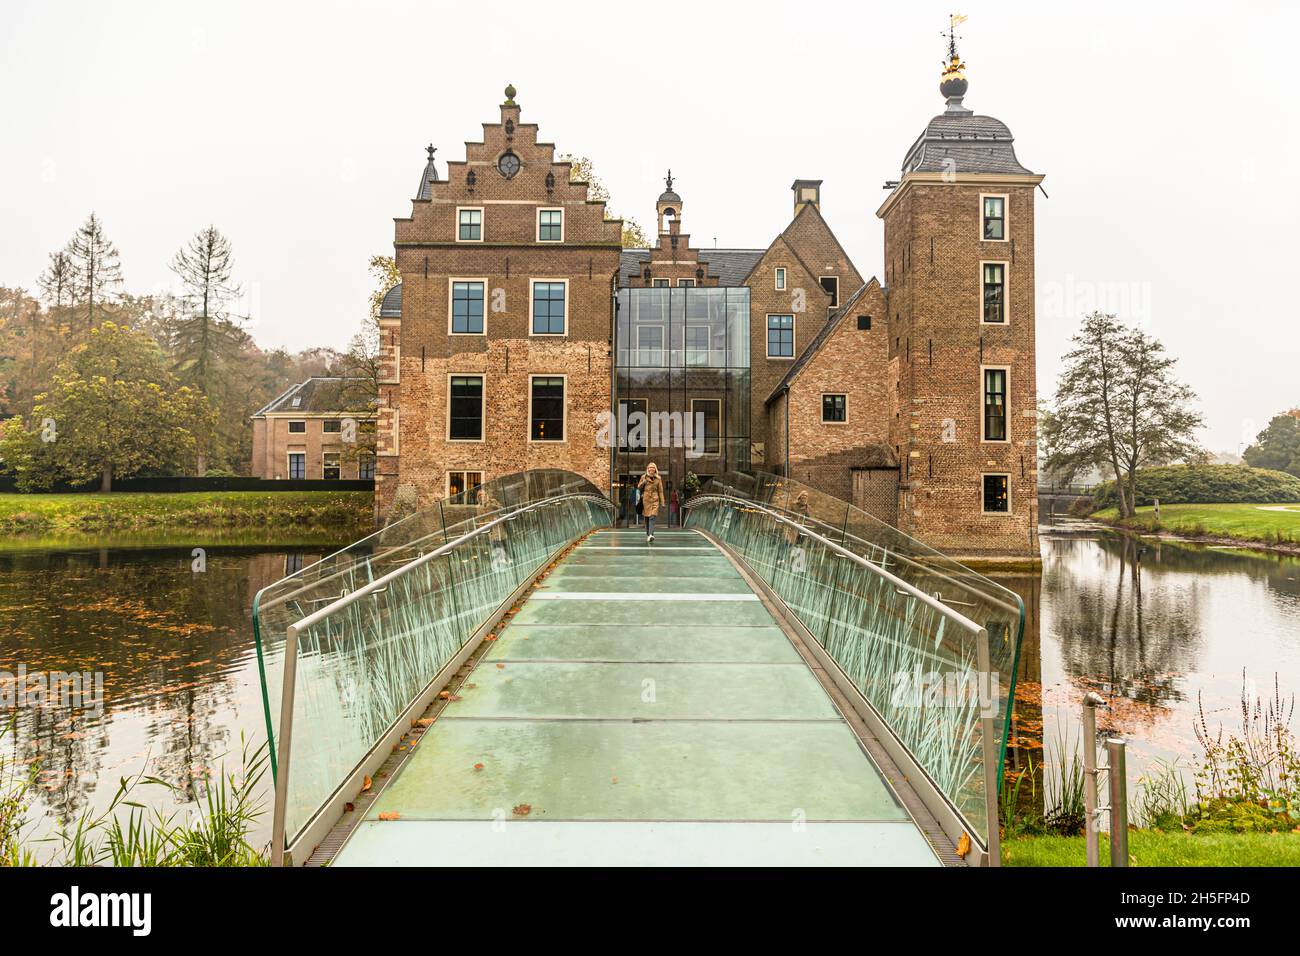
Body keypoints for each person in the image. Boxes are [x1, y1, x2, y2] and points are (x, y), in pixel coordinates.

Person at [637, 463, 665, 542]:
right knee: (647, 517)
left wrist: (662, 502)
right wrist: (643, 482)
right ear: (647, 469)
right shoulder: (643, 476)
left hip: (655, 500)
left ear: (655, 469)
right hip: (646, 500)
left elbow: (660, 491)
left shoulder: (658, 478)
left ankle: (651, 535)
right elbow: (639, 487)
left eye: (653, 468)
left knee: (652, 516)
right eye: (650, 467)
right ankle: (649, 534)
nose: (651, 469)